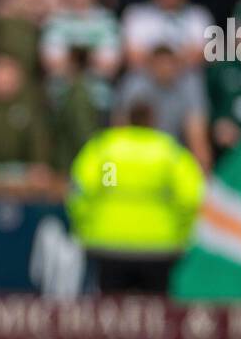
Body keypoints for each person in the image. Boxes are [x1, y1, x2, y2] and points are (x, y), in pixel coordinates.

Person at [67, 101, 204, 294]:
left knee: (113, 313)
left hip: (108, 243)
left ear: (126, 120)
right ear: (153, 121)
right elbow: (191, 198)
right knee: (156, 315)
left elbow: (81, 193)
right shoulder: (170, 153)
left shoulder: (105, 150)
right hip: (160, 246)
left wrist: (85, 228)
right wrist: (181, 233)